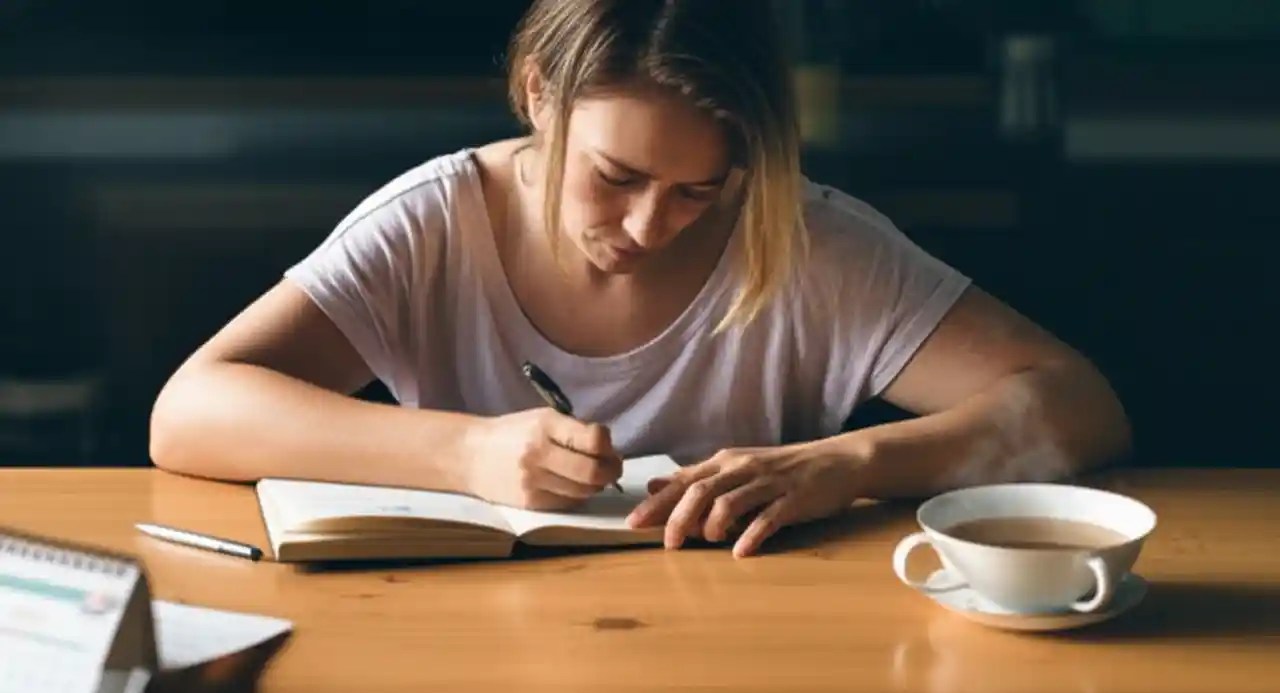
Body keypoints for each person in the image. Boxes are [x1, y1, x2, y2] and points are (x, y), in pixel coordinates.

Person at [150, 0, 1131, 558]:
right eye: (614, 177)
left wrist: (853, 465)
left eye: (699, 191)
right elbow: (190, 412)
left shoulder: (805, 242)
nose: (647, 228)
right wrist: (462, 454)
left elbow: (1078, 406)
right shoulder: (434, 223)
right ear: (540, 94)